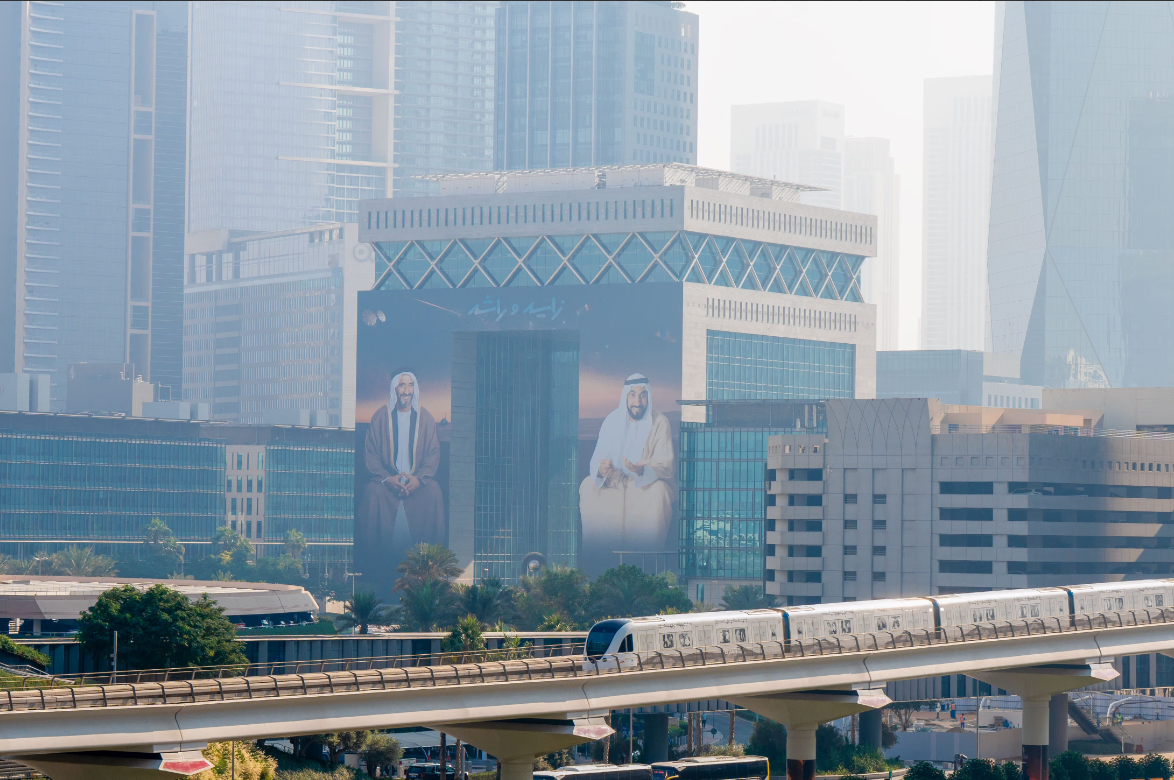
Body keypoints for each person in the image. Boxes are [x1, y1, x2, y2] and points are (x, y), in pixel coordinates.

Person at [579, 374, 676, 569]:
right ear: (626, 397)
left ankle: (647, 561)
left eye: (642, 396)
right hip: (614, 483)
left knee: (659, 493)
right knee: (588, 486)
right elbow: (597, 457)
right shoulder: (611, 421)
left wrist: (642, 469)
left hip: (643, 486)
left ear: (648, 397)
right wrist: (601, 468)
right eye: (633, 395)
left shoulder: (660, 422)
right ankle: (598, 558)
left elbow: (666, 463)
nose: (637, 402)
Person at [359, 371, 446, 574]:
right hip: (388, 482)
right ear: (394, 389)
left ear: (415, 389)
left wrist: (419, 479)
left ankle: (432, 566)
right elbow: (371, 455)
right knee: (372, 494)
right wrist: (387, 479)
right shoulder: (381, 416)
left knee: (435, 491)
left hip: (417, 482)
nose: (406, 391)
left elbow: (433, 453)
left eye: (410, 385)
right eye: (401, 385)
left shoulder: (425, 417)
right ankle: (372, 566)